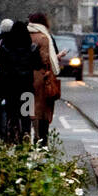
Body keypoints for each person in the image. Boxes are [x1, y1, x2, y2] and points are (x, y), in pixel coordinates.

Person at [0, 18, 36, 143]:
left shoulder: (6, 48)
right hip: (28, 88)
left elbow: (0, 65)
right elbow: (37, 65)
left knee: (12, 113)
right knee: (26, 114)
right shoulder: (32, 49)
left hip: (11, 88)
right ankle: (26, 134)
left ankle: (12, 136)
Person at [27, 11, 62, 144]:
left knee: (27, 108)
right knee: (42, 111)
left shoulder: (23, 34)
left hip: (26, 77)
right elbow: (46, 59)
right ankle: (41, 139)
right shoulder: (43, 37)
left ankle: (26, 136)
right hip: (40, 78)